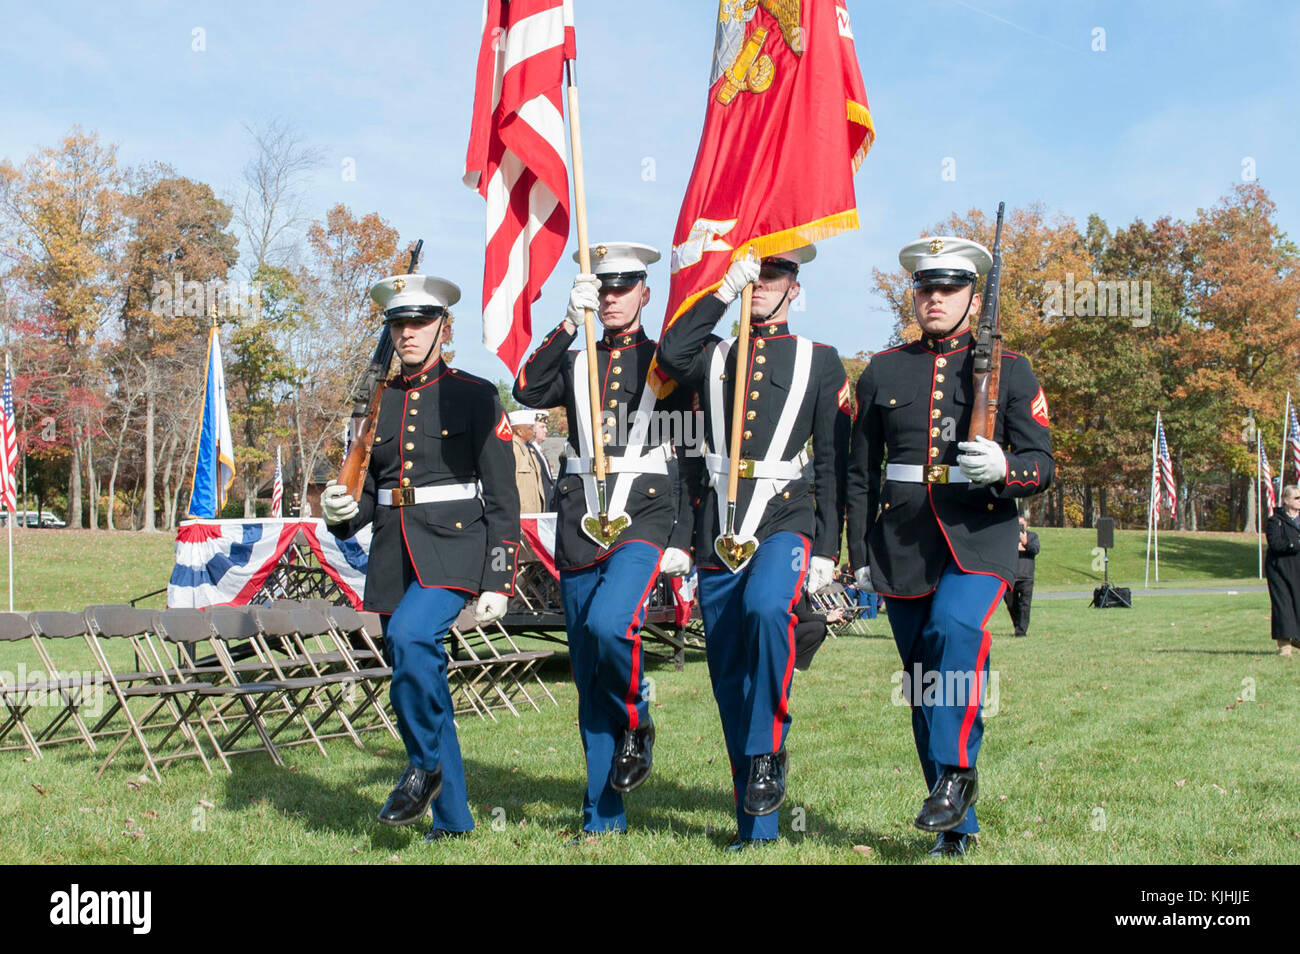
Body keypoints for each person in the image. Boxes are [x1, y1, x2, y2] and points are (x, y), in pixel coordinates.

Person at [846, 236, 1054, 857]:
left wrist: (1005, 467)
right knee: (921, 684)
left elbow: (1042, 463)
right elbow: (861, 472)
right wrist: (859, 554)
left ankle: (958, 768)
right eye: (925, 288)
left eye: (950, 289)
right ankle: (953, 818)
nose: (934, 299)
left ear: (972, 297)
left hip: (980, 534)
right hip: (903, 541)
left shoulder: (1011, 369)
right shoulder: (884, 369)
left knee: (955, 632)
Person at [656, 246, 851, 850]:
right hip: (719, 522)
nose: (763, 283)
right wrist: (721, 290)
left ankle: (769, 746)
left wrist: (827, 543)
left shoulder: (820, 360)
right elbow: (669, 355)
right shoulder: (714, 354)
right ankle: (755, 825)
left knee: (770, 609)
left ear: (796, 287)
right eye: (756, 273)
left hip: (786, 515)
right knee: (729, 675)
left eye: (774, 274)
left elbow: (834, 462)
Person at [322, 272, 520, 842]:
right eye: (398, 322)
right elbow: (368, 497)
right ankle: (454, 821)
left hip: (456, 550)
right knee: (423, 677)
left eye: (420, 321)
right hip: (393, 554)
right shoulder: (377, 406)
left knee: (410, 640)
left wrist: (498, 579)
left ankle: (421, 766)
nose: (408, 332)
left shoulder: (474, 395)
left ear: (443, 327)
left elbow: (503, 497)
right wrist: (340, 509)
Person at [513, 242, 695, 836]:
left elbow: (693, 456)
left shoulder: (666, 361)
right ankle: (602, 816)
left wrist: (684, 537)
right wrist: (568, 321)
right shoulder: (577, 356)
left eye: (624, 288)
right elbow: (526, 391)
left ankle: (638, 718)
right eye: (604, 288)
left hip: (643, 515)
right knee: (589, 670)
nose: (613, 298)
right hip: (579, 521)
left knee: (610, 625)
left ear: (646, 292)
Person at [1265, 484, 1300, 656]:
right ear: (1286, 500)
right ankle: (1284, 644)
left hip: (1298, 567)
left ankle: (1298, 639)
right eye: (1296, 498)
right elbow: (1276, 544)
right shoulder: (1275, 521)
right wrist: (1294, 544)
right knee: (1283, 604)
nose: (1299, 501)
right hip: (1279, 568)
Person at [1003, 516, 1040, 637]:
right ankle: (1018, 625)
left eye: (1022, 524)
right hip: (1011, 577)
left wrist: (1025, 543)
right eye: (1017, 524)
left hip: (1026, 577)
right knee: (1011, 604)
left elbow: (1035, 549)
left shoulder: (1033, 536)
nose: (1020, 527)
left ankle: (1021, 631)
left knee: (1025, 605)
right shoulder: (1008, 537)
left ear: (1027, 525)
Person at [508, 410, 546, 513]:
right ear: (520, 431)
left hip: (534, 515)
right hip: (521, 514)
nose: (534, 431)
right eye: (531, 428)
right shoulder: (512, 449)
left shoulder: (529, 449)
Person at [530, 414, 558, 509]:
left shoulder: (539, 450)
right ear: (532, 429)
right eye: (542, 427)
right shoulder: (529, 451)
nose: (546, 431)